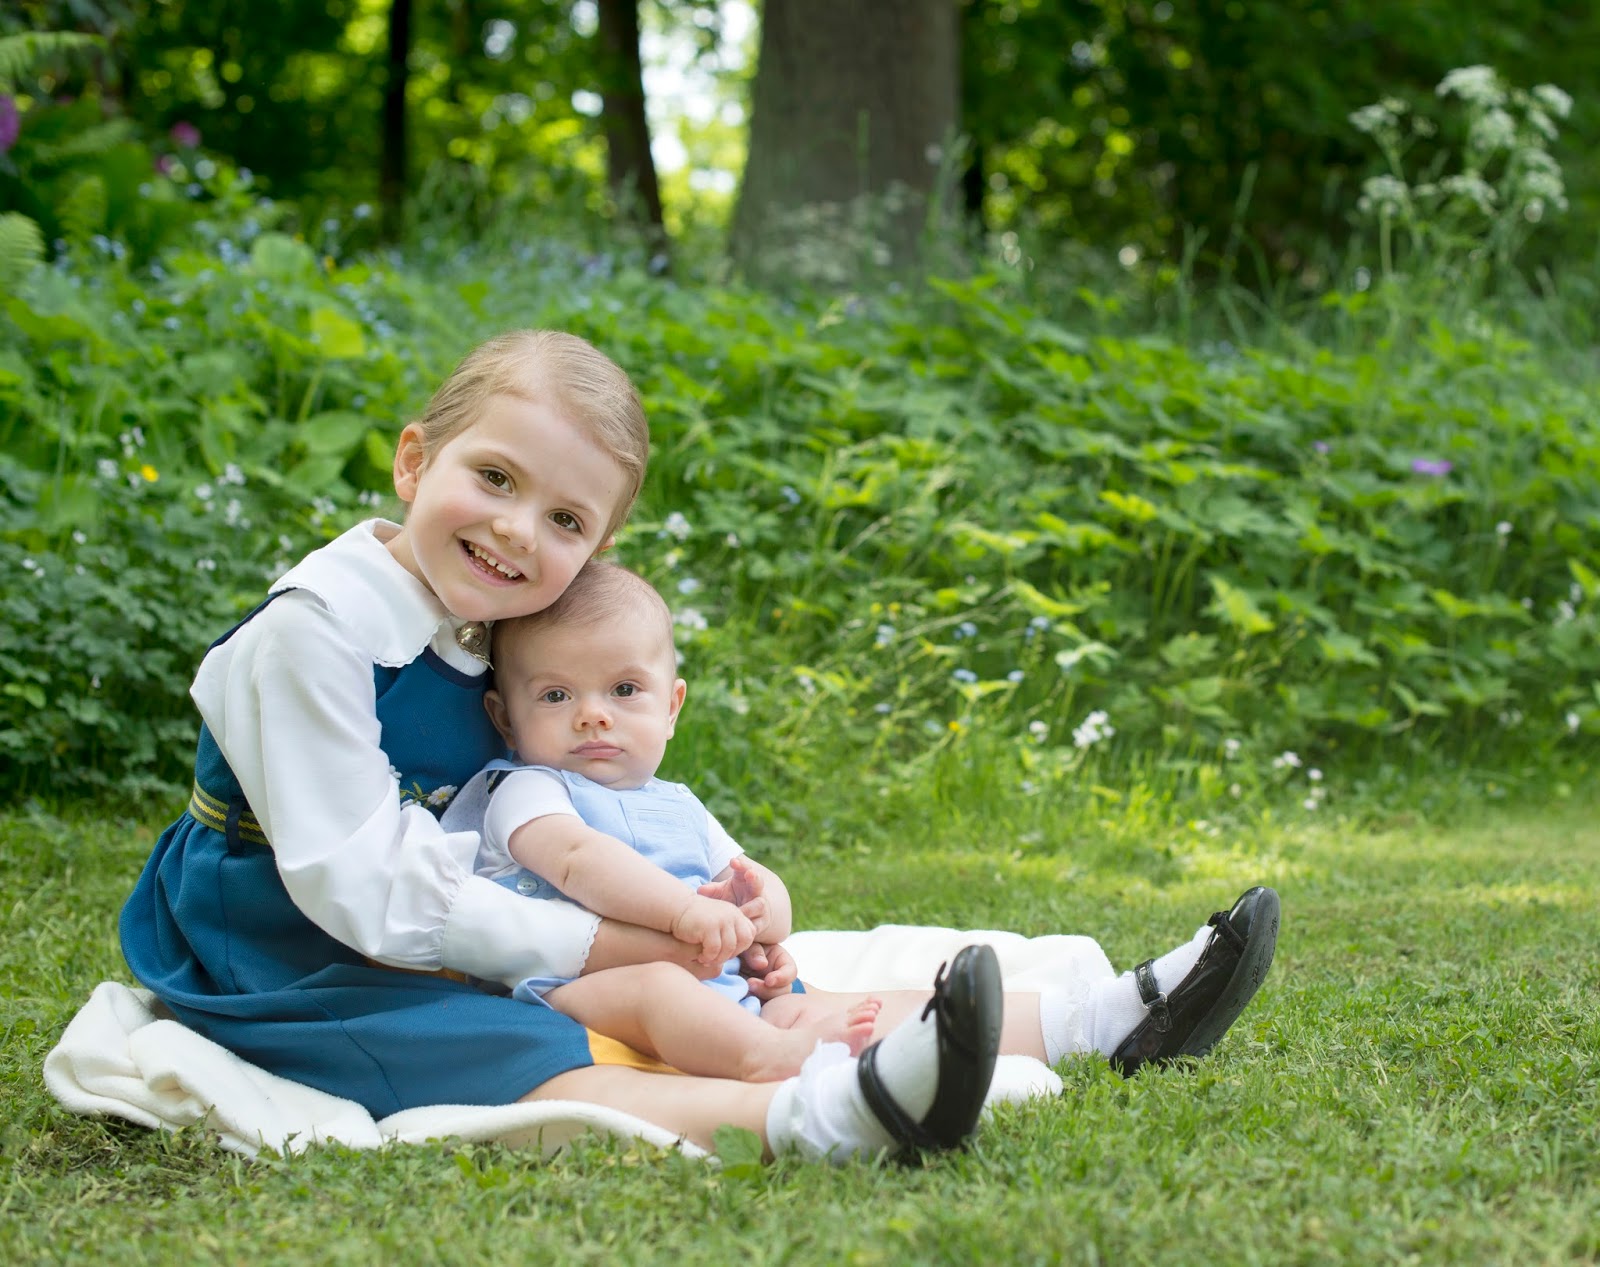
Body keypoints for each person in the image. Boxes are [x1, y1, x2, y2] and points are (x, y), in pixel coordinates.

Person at [116, 326, 1280, 1165]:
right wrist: (607, 936)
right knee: (525, 1041)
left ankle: (1107, 1017)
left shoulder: (493, 611)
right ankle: (817, 1117)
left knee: (765, 981)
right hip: (284, 926)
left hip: (456, 901)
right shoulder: (312, 635)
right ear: (413, 461)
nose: (519, 531)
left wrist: (659, 925)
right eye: (494, 478)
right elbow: (363, 892)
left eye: (566, 520)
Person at [442, 560, 883, 1083]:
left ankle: (852, 1052)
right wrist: (684, 913)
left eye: (624, 690)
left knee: (789, 1002)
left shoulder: (679, 806)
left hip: (709, 986)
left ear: (671, 708)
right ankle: (763, 1057)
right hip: (575, 991)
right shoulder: (526, 790)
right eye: (556, 695)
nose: (593, 715)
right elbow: (577, 860)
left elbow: (751, 879)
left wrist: (755, 920)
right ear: (507, 720)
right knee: (657, 990)